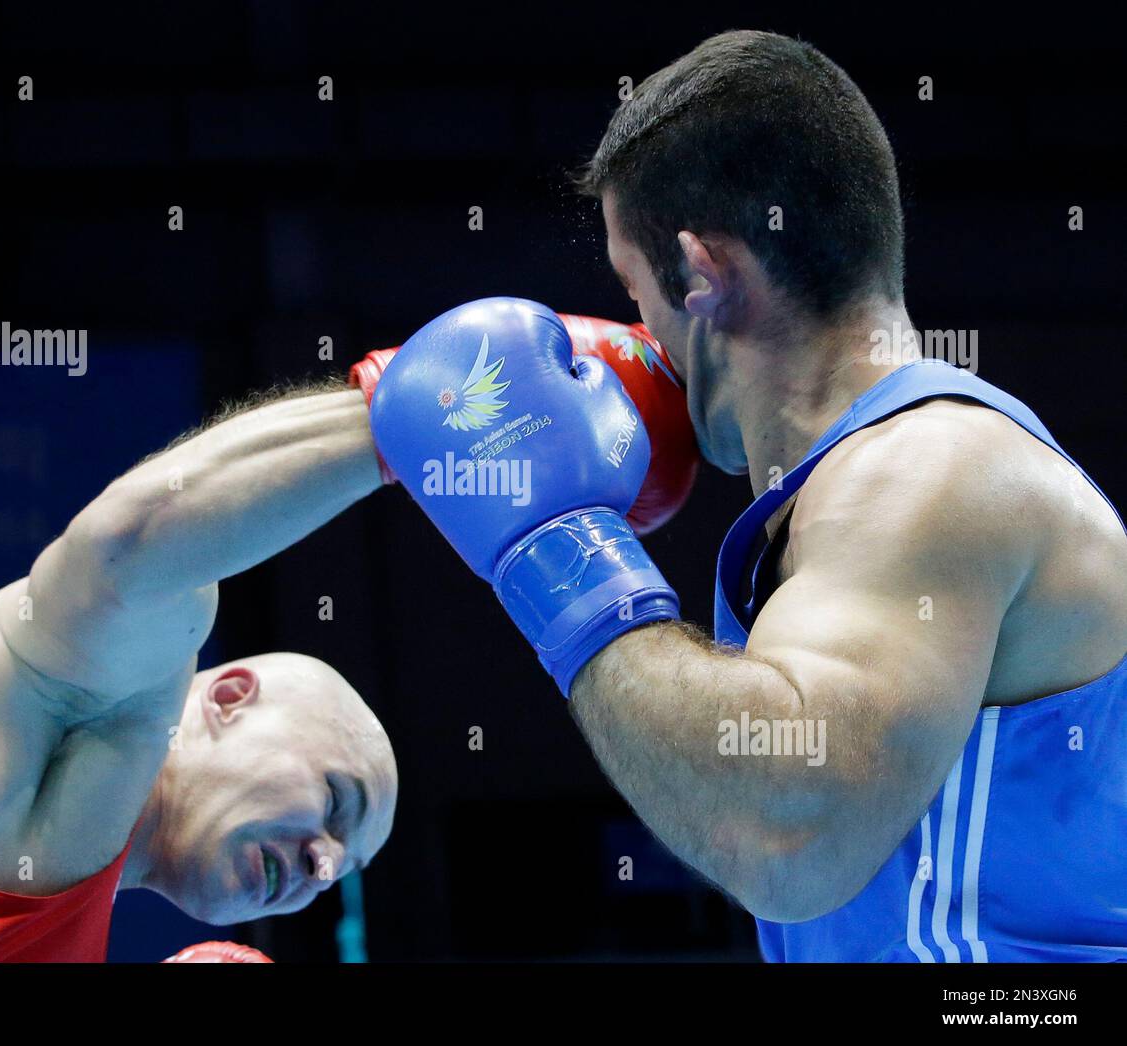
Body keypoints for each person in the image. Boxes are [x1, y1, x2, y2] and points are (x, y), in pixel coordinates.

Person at [369, 31, 1127, 962]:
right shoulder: (852, 494)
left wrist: (554, 544)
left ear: (702, 273)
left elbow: (791, 830)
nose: (637, 333)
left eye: (632, 286)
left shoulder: (929, 467)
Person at [0, 382, 397, 961]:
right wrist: (399, 419)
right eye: (334, 801)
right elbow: (126, 555)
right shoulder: (34, 714)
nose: (321, 865)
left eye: (341, 868)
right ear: (229, 698)